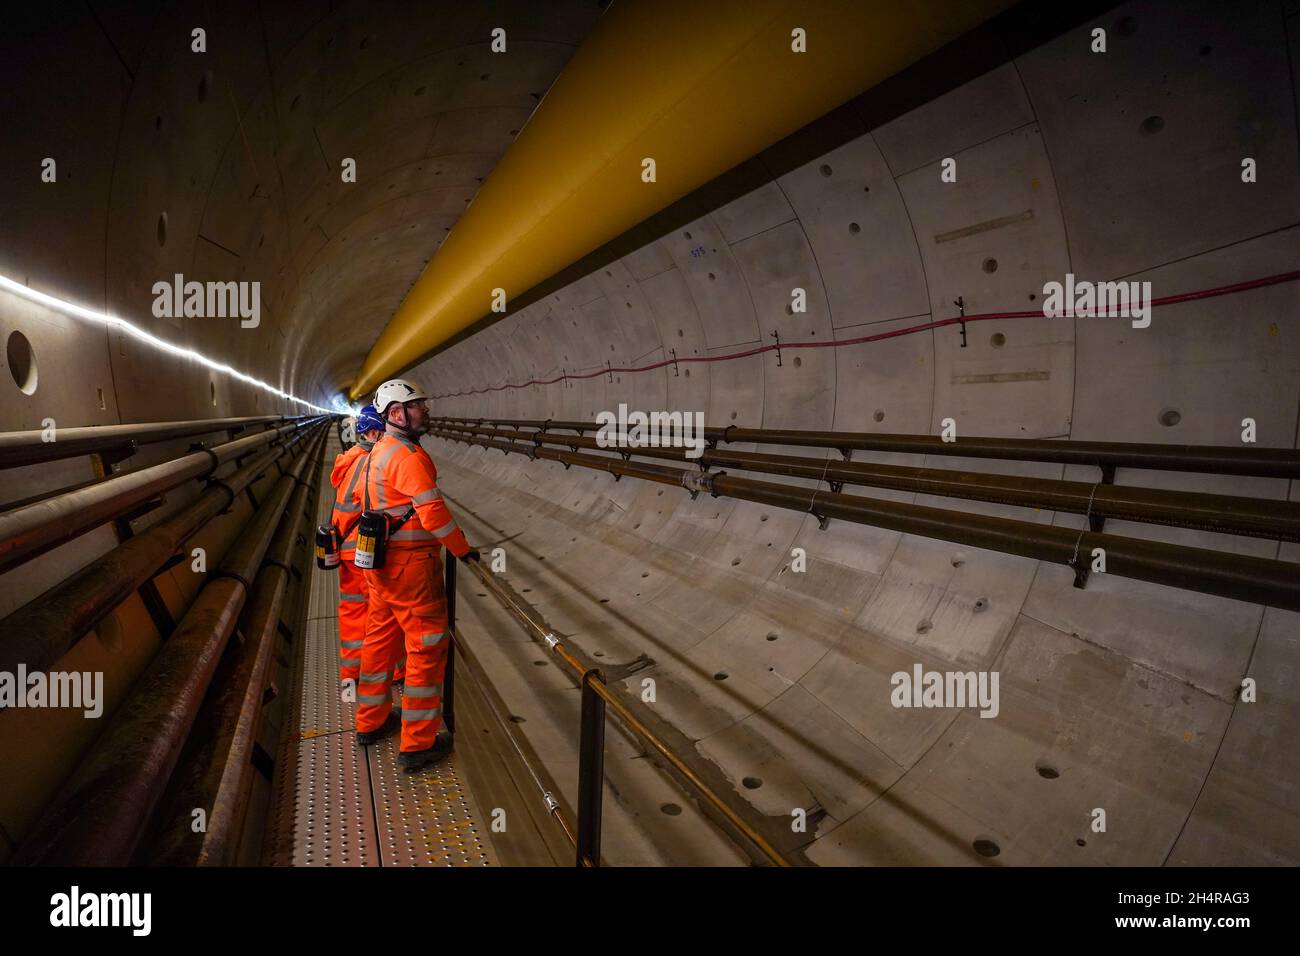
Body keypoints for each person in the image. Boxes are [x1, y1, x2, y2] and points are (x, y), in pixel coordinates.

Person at [352, 378, 479, 772]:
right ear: (396, 414)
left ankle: (369, 722)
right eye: (417, 405)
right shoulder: (406, 456)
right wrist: (463, 550)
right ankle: (417, 744)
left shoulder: (378, 451)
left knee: (380, 641)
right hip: (410, 567)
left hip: (381, 565)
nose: (425, 410)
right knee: (426, 648)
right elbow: (433, 512)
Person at [328, 404, 404, 685]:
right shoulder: (371, 463)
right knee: (381, 615)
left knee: (352, 611)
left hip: (344, 548)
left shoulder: (349, 459)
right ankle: (393, 672)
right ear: (372, 432)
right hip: (362, 552)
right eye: (383, 433)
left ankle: (351, 671)